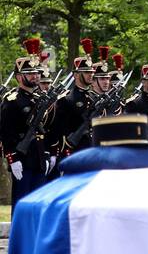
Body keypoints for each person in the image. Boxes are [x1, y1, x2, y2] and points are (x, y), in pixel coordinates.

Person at [1, 39, 53, 203]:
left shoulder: (40, 99)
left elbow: (43, 130)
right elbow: (5, 132)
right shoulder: (12, 100)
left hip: (38, 158)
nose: (35, 76)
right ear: (19, 77)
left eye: (37, 73)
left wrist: (46, 154)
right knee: (22, 204)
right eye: (30, 73)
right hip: (22, 159)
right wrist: (12, 159)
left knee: (37, 205)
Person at [46, 37, 98, 162]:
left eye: (91, 72)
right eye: (86, 72)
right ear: (75, 75)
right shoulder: (66, 99)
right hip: (74, 151)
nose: (90, 75)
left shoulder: (94, 97)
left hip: (92, 150)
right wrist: (61, 151)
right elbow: (58, 129)